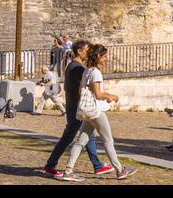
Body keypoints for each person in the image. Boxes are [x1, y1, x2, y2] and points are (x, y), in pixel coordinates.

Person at [62, 44, 138, 180]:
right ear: (98, 56)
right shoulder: (96, 72)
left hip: (87, 111)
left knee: (80, 142)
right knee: (108, 140)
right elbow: (97, 94)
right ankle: (120, 170)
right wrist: (111, 96)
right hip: (96, 112)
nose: (105, 59)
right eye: (104, 57)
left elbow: (84, 91)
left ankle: (68, 170)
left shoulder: (87, 71)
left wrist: (105, 95)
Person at [40, 39, 110, 178]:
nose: (90, 53)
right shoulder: (78, 68)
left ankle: (97, 165)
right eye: (87, 50)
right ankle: (51, 165)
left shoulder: (72, 66)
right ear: (80, 51)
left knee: (86, 136)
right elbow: (82, 89)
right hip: (78, 107)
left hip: (74, 106)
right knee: (73, 136)